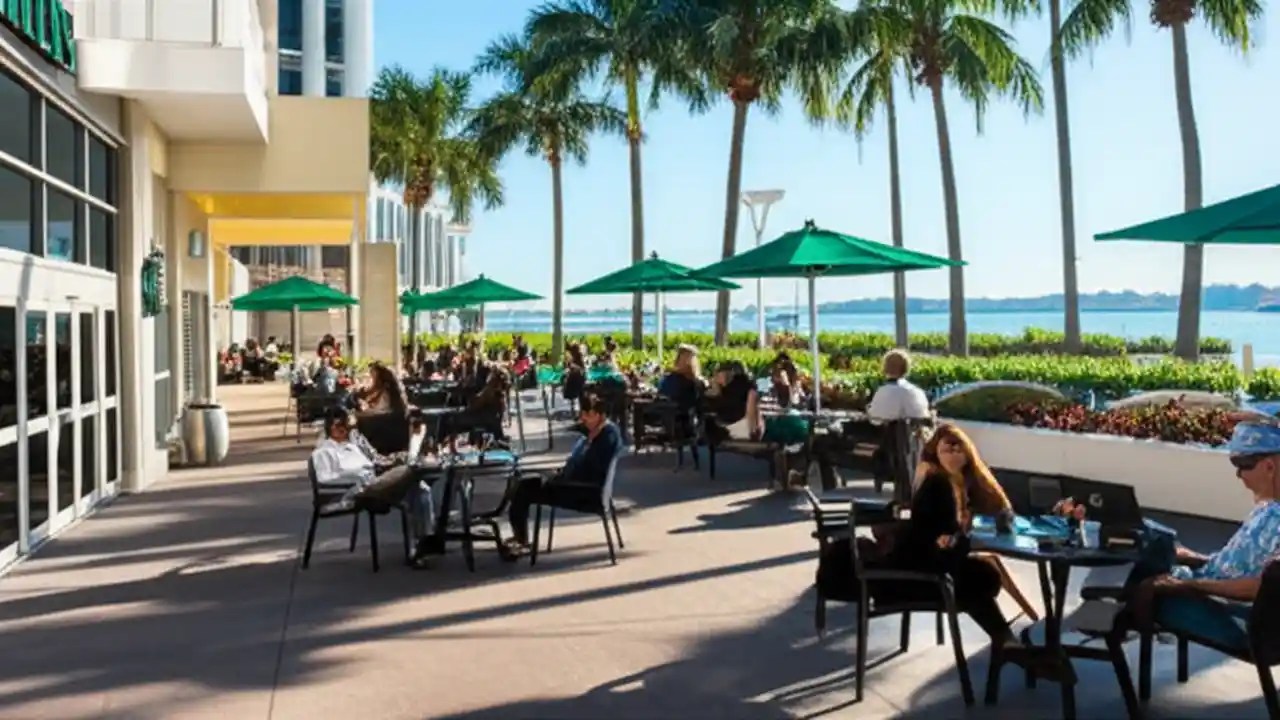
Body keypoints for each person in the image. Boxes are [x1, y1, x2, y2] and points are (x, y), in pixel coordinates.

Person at [1116, 421, 1280, 638]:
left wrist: (1189, 584)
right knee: (1147, 535)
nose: (1238, 474)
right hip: (1213, 590)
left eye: (1243, 464)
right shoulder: (1268, 509)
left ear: (1269, 467)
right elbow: (1235, 566)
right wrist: (1196, 559)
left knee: (1144, 579)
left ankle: (1113, 618)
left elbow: (1259, 588)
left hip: (1240, 620)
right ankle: (1111, 614)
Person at [915, 424, 1040, 622]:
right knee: (988, 565)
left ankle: (1027, 619)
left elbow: (999, 504)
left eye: (958, 450)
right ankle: (1029, 617)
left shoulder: (963, 477)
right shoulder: (932, 475)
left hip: (951, 548)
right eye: (947, 450)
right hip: (933, 556)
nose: (953, 454)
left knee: (989, 562)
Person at [311, 408, 440, 565]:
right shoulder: (324, 452)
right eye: (340, 426)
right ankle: (414, 463)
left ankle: (421, 546)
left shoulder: (354, 444)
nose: (346, 430)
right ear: (331, 428)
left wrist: (396, 458)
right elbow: (325, 481)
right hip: (361, 491)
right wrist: (355, 479)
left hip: (376, 483)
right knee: (414, 472)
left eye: (347, 426)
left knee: (420, 489)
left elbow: (376, 461)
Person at [501, 394, 623, 558]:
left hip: (583, 493)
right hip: (570, 484)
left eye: (588, 414)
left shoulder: (607, 436)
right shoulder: (592, 434)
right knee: (522, 482)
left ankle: (522, 541)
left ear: (599, 415)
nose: (583, 418)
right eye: (582, 414)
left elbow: (591, 468)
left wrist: (560, 478)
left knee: (524, 489)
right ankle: (520, 537)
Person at [867, 349, 931, 421]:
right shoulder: (917, 391)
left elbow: (874, 419)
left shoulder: (881, 392)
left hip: (887, 431)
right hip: (915, 430)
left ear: (885, 368)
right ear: (906, 368)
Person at [706, 360, 762, 441]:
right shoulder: (748, 387)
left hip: (736, 426)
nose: (715, 377)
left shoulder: (736, 389)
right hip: (738, 426)